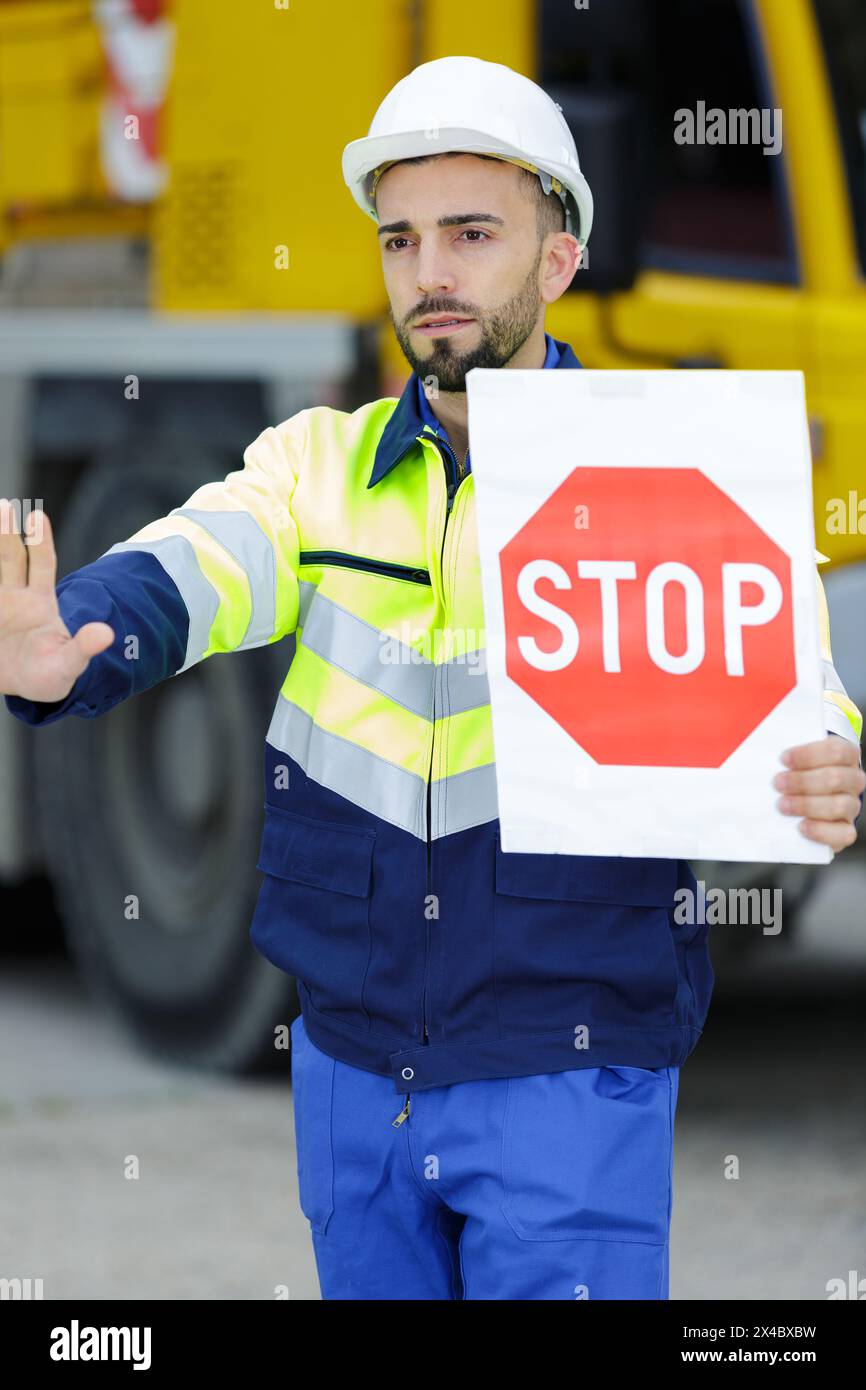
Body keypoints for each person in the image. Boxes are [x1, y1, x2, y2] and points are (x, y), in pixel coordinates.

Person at [2, 56, 863, 1301]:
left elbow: (792, 678)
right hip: (356, 1073)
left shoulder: (658, 466)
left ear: (557, 259)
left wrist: (827, 756)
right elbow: (199, 559)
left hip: (568, 1061)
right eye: (401, 240)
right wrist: (77, 630)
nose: (431, 274)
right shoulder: (319, 466)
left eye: (471, 233)